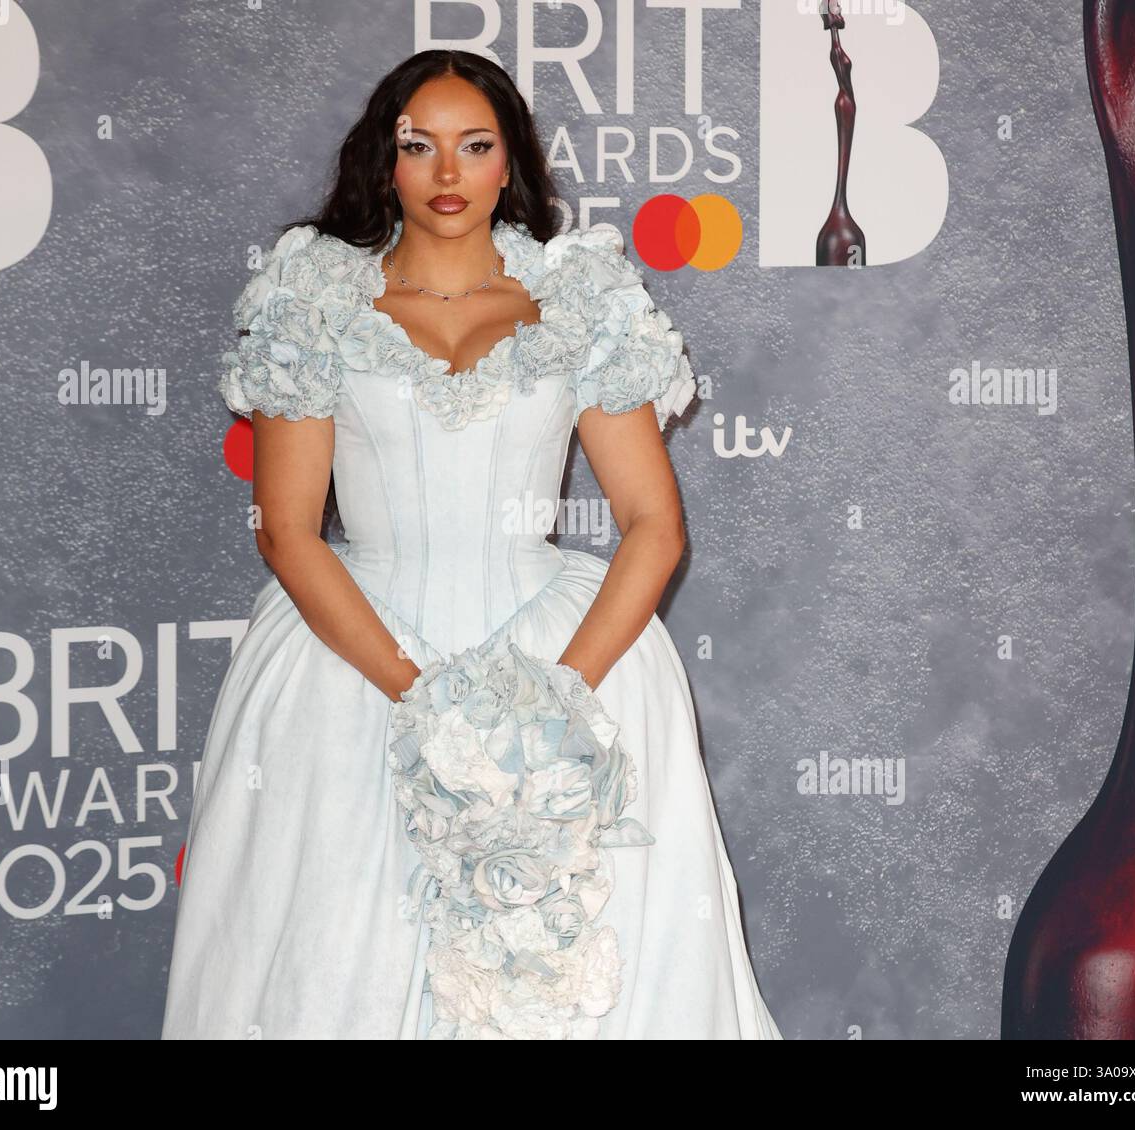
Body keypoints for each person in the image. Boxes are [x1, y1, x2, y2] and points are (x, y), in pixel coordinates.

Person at [160, 48, 782, 1040]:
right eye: (420, 147)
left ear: (509, 162)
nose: (448, 174)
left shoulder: (581, 300)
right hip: (351, 668)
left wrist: (550, 706)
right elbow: (287, 529)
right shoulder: (313, 299)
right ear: (385, 161)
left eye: (474, 145)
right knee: (331, 958)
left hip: (565, 667)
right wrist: (427, 705)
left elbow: (654, 526)